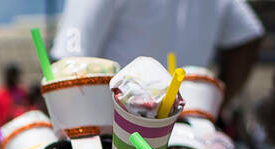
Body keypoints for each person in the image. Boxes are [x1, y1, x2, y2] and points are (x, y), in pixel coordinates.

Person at [53, 0, 264, 108]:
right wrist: (214, 104)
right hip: (187, 133)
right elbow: (248, 34)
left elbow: (68, 63)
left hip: (115, 138)